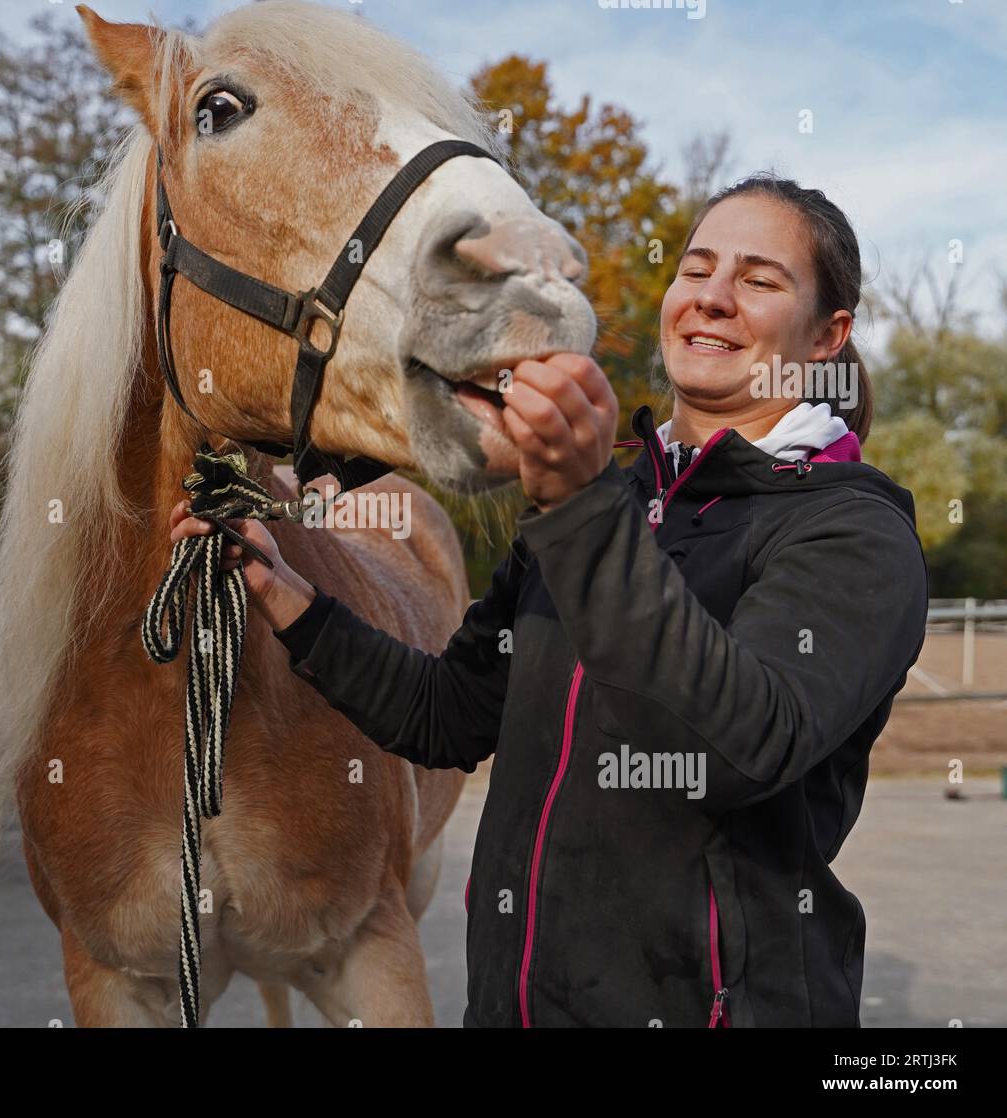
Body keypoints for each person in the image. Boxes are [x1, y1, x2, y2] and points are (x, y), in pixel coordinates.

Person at [169, 174, 928, 1027]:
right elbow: (447, 715)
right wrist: (290, 595)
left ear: (828, 337)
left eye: (758, 280)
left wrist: (578, 503)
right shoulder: (601, 503)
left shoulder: (852, 532)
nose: (711, 298)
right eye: (696, 268)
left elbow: (735, 744)